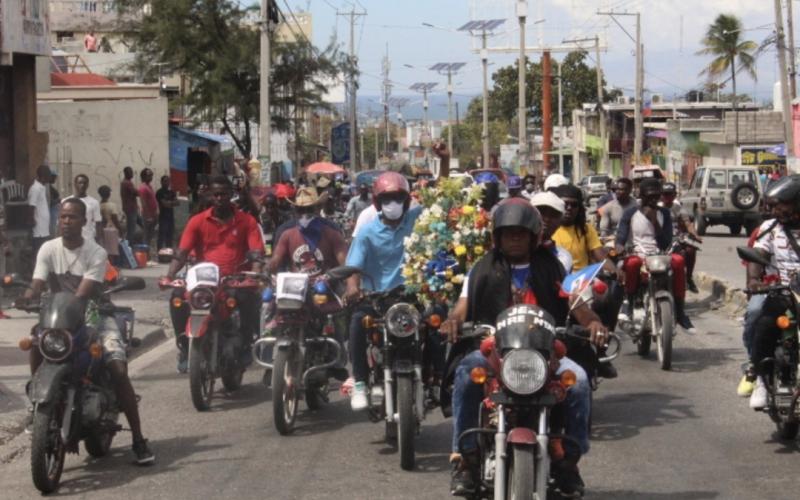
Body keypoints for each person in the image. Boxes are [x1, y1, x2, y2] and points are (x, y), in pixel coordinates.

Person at [439, 201, 607, 498]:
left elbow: (576, 303)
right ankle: (466, 458)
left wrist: (593, 323)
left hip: (547, 354)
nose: (514, 238)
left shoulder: (554, 267)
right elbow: (461, 308)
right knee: (467, 374)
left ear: (533, 236)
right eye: (508, 233)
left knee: (579, 382)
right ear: (497, 237)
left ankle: (569, 461)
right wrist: (453, 322)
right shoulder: (481, 269)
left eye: (521, 233)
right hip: (494, 352)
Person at [18, 198, 154, 464]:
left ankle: (139, 440)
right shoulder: (48, 248)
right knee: (35, 339)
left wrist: (73, 306)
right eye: (63, 217)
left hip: (95, 316)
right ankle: (38, 402)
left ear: (85, 221)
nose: (66, 222)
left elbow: (83, 294)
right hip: (59, 318)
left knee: (117, 368)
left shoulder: (96, 253)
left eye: (73, 217)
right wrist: (27, 296)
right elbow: (37, 282)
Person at [162, 176, 265, 373]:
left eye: (224, 194)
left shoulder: (247, 221)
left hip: (234, 280)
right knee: (176, 298)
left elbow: (256, 254)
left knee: (248, 297)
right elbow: (182, 252)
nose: (219, 198)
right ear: (210, 195)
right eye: (216, 194)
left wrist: (254, 275)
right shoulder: (197, 221)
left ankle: (245, 344)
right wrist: (170, 276)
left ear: (230, 195)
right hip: (203, 281)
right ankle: (184, 346)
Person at [344, 171, 424, 410]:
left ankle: (436, 378)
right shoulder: (367, 232)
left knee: (435, 320)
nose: (393, 204)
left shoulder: (416, 221)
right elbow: (353, 267)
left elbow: (440, 198)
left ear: (407, 201)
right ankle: (359, 382)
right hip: (376, 300)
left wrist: (443, 160)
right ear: (378, 203)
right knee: (357, 323)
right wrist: (352, 288)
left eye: (398, 198)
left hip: (410, 297)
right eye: (387, 199)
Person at [551, 184, 620, 377]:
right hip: (555, 281)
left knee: (609, 295)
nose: (569, 209)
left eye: (574, 205)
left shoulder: (586, 229)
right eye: (565, 205)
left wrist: (614, 270)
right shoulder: (547, 229)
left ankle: (601, 348)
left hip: (582, 280)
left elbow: (598, 254)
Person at [744, 175, 800, 409]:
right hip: (782, 292)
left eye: (781, 205)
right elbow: (758, 257)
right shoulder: (769, 229)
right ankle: (759, 374)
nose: (776, 210)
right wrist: (755, 280)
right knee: (758, 315)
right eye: (773, 206)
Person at [616, 178, 696, 333]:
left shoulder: (664, 213)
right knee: (631, 264)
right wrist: (619, 248)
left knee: (679, 261)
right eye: (650, 195)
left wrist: (654, 221)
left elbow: (665, 243)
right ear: (642, 196)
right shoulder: (630, 213)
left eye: (657, 196)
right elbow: (621, 237)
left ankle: (680, 311)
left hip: (660, 255)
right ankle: (629, 303)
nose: (654, 199)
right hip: (638, 254)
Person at [269, 186, 348, 277]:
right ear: (295, 211)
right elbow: (276, 260)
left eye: (309, 209)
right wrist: (268, 268)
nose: (305, 214)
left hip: (327, 286)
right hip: (296, 286)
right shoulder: (286, 233)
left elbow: (345, 263)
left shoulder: (332, 232)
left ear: (318, 209)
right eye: (301, 210)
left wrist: (352, 286)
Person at [659, 182, 702, 293]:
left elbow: (687, 223)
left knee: (690, 250)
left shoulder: (678, 208)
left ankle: (688, 278)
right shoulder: (656, 208)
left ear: (674, 195)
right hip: (659, 238)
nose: (667, 197)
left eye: (670, 194)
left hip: (676, 238)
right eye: (664, 194)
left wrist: (695, 235)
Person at [530, 191, 573, 272]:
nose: (546, 219)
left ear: (560, 222)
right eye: (541, 212)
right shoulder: (514, 251)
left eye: (553, 215)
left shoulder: (563, 258)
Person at [62, 174, 103, 243]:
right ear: (75, 184)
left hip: (88, 240)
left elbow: (98, 223)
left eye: (85, 183)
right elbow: (61, 222)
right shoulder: (66, 202)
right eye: (80, 183)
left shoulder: (94, 202)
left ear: (88, 185)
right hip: (71, 240)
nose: (82, 185)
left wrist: (99, 241)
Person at [28, 165, 52, 257]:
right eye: (48, 176)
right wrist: (32, 220)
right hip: (39, 231)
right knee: (38, 253)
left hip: (44, 228)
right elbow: (31, 206)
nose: (49, 179)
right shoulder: (35, 189)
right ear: (43, 177)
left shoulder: (41, 188)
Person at [98, 185, 124, 266]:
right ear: (109, 194)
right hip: (111, 230)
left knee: (104, 251)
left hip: (101, 230)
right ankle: (111, 269)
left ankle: (105, 269)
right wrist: (120, 230)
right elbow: (115, 219)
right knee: (111, 252)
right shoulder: (112, 205)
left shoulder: (98, 205)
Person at [156, 175, 178, 250]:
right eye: (165, 181)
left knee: (170, 236)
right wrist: (171, 203)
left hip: (170, 217)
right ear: (161, 182)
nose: (167, 182)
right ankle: (159, 251)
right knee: (161, 236)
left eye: (168, 181)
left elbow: (177, 202)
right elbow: (165, 204)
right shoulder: (159, 192)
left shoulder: (171, 192)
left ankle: (169, 251)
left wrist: (169, 203)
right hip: (163, 217)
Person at [138, 168, 158, 249]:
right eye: (149, 175)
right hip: (147, 216)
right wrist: (148, 216)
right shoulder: (143, 188)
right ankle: (145, 254)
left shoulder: (149, 186)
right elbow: (143, 203)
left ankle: (147, 252)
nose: (151, 177)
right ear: (144, 176)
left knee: (150, 235)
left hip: (153, 215)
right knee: (146, 235)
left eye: (151, 175)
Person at [120, 166, 139, 242]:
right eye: (130, 172)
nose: (132, 174)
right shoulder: (127, 183)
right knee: (131, 228)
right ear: (126, 173)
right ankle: (129, 245)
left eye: (132, 172)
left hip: (129, 207)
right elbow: (136, 193)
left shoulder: (125, 182)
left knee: (134, 225)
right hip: (131, 208)